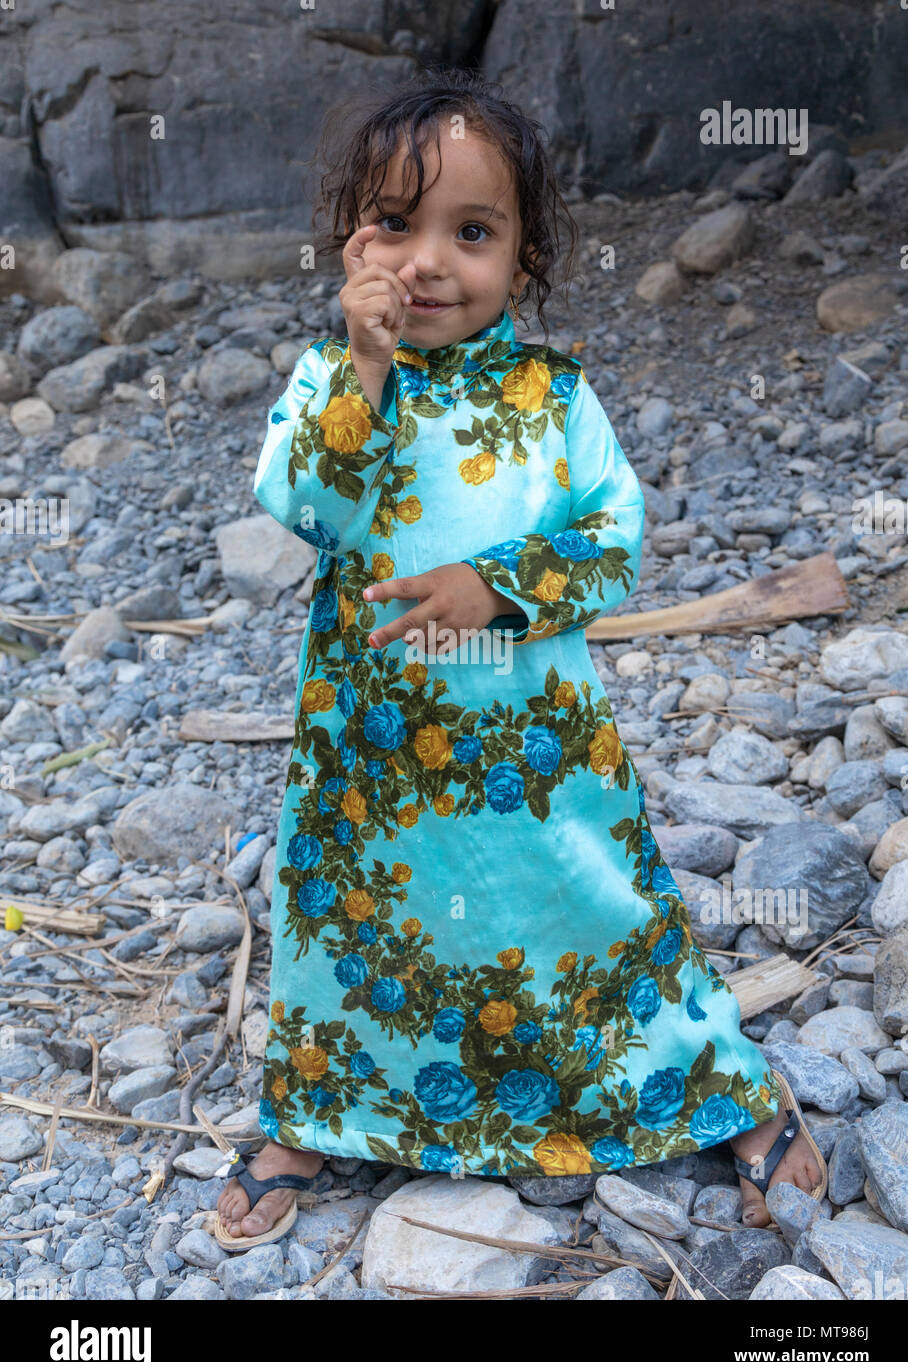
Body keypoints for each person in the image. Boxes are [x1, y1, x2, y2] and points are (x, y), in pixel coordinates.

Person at [215, 66, 826, 1251]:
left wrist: (493, 586)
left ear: (526, 260)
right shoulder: (331, 381)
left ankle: (706, 1084)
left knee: (587, 906)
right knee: (351, 921)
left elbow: (610, 540)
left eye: (473, 232)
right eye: (397, 224)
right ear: (349, 242)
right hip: (375, 747)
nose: (429, 261)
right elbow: (303, 502)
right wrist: (366, 367)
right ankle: (326, 1105)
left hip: (531, 744)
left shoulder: (553, 400)